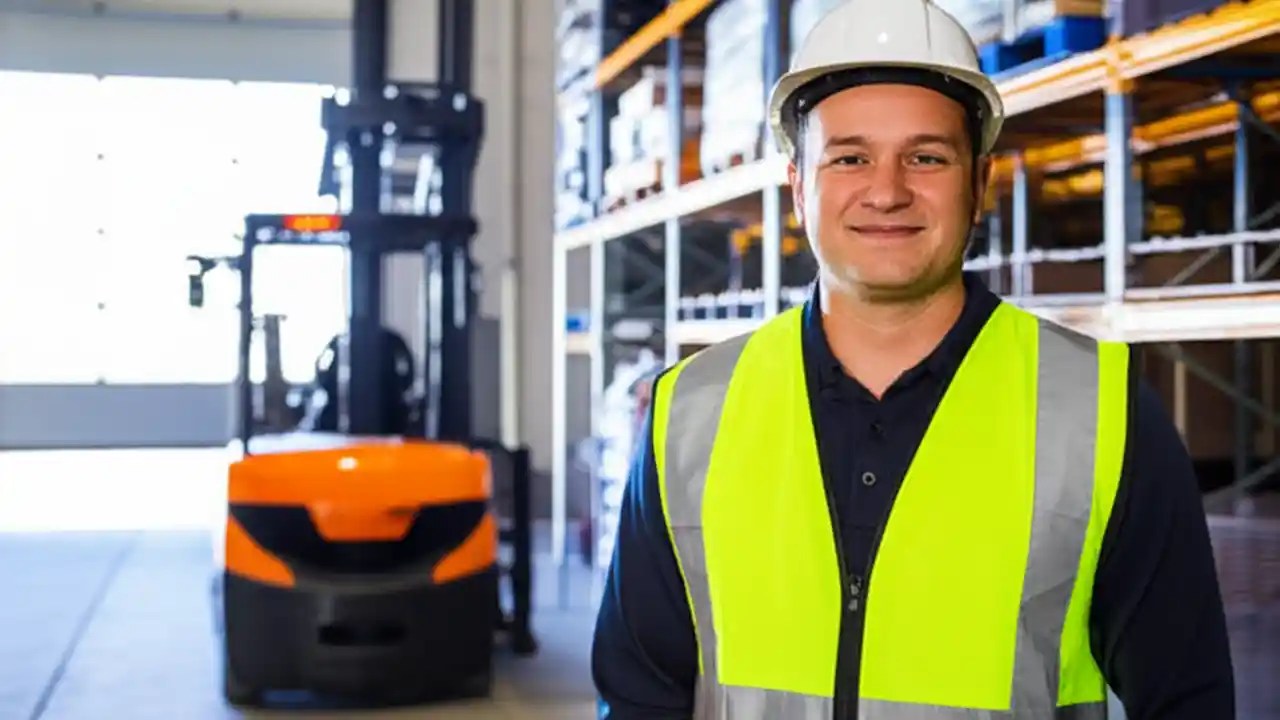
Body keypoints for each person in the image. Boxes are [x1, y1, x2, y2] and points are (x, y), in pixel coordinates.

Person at [590, 0, 1235, 718]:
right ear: (798, 186)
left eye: (926, 157)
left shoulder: (1104, 413)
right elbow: (638, 695)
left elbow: (1186, 699)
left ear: (978, 183)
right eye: (849, 157)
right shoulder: (689, 413)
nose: (887, 190)